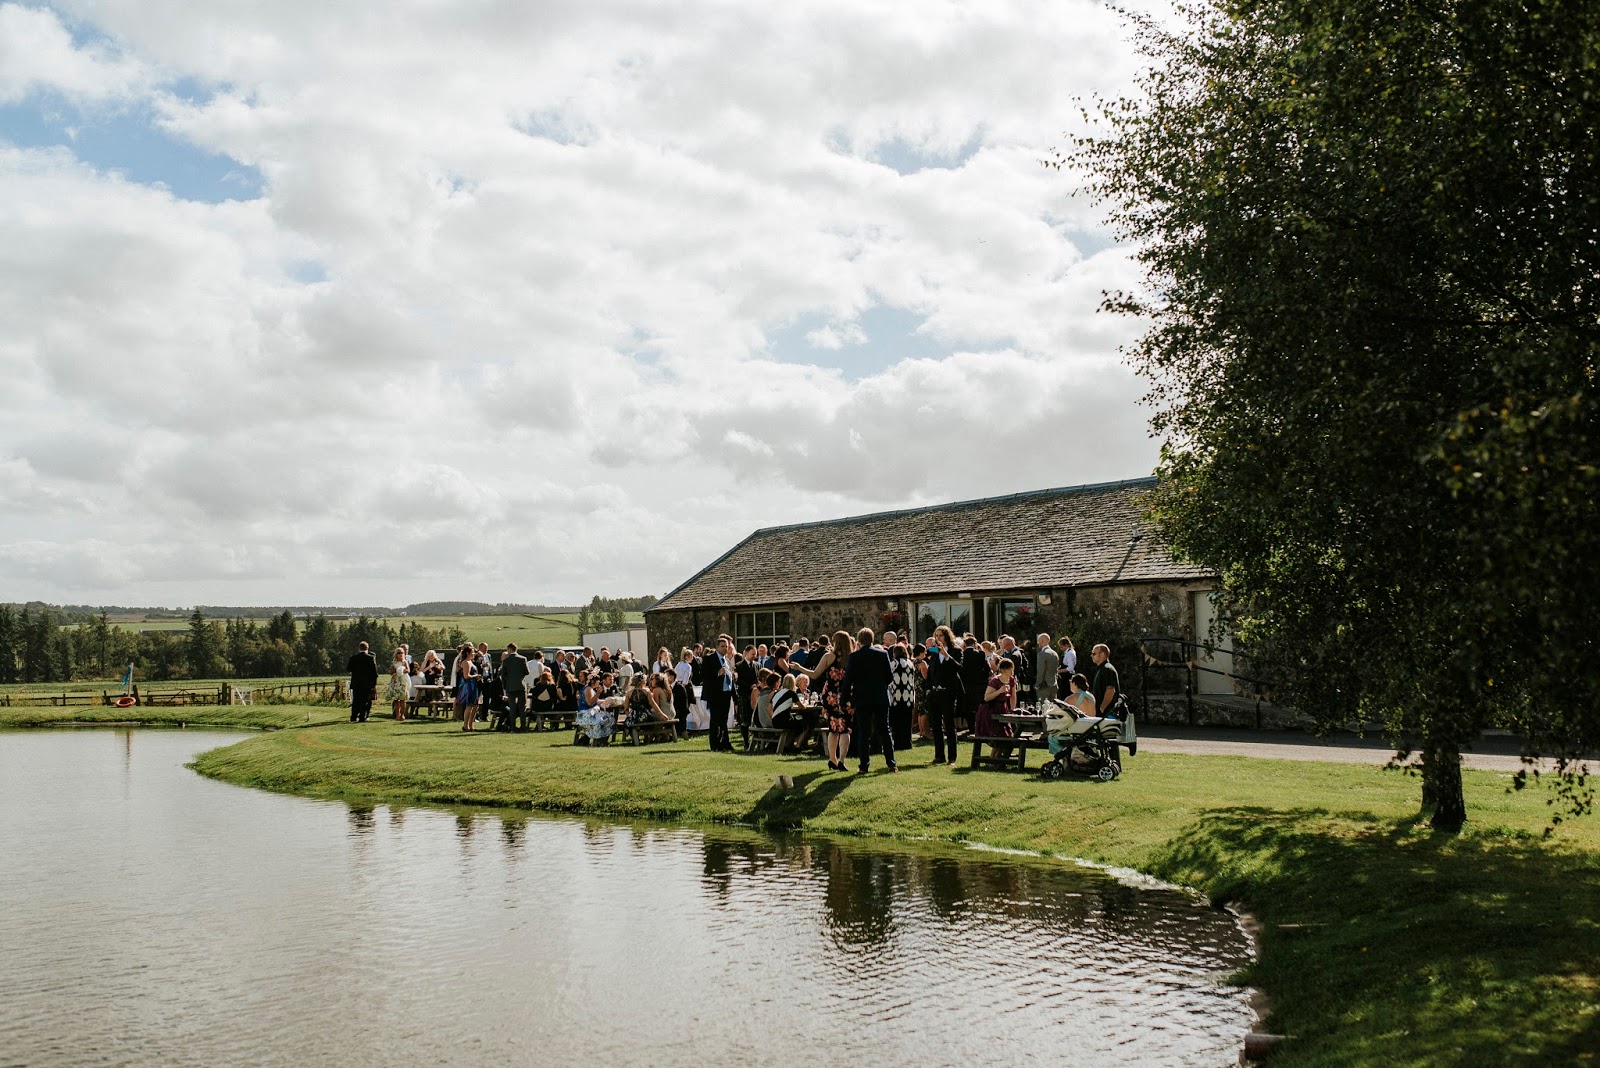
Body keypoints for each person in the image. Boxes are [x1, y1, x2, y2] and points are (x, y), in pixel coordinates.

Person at [843, 627, 896, 774]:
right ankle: (891, 763)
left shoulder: (854, 657)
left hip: (862, 697)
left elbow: (848, 680)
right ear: (872, 640)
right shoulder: (882, 654)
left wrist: (844, 700)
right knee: (884, 730)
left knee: (864, 733)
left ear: (859, 641)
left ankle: (864, 765)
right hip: (880, 696)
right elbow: (889, 677)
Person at [806, 631, 853, 771]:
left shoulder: (829, 656)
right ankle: (842, 760)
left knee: (833, 728)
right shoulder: (852, 657)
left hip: (831, 695)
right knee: (845, 729)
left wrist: (799, 668)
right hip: (847, 695)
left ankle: (832, 758)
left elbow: (815, 674)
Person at [925, 626, 964, 765]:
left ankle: (952, 757)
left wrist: (946, 655)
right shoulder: (934, 651)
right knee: (936, 726)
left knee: (949, 725)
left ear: (947, 636)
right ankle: (939, 756)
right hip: (935, 692)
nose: (938, 638)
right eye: (936, 636)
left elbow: (959, 668)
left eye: (941, 635)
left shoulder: (956, 650)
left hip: (948, 692)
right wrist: (928, 689)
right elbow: (930, 672)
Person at [976, 657, 1018, 755]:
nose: (1011, 671)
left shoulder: (1011, 680)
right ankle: (994, 758)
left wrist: (1012, 709)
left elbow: (1013, 696)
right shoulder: (995, 681)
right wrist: (999, 691)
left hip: (1003, 708)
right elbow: (986, 698)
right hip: (990, 709)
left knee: (1008, 734)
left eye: (1012, 668)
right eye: (1009, 669)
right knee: (998, 735)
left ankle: (997, 758)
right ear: (1002, 670)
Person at [704, 635, 737, 752]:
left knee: (724, 720)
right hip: (715, 694)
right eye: (722, 646)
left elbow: (729, 678)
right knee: (715, 720)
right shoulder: (709, 658)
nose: (725, 648)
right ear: (717, 647)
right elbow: (705, 675)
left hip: (726, 693)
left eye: (726, 646)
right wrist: (717, 673)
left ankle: (724, 743)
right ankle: (715, 745)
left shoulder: (726, 660)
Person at [888, 641, 917, 751]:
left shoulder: (893, 663)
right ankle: (907, 743)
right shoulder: (910, 663)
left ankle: (898, 743)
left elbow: (890, 680)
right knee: (907, 722)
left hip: (896, 696)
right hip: (908, 696)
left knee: (896, 722)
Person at [959, 635, 990, 733]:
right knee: (979, 706)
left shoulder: (962, 654)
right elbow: (987, 669)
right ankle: (980, 727)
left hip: (966, 684)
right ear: (975, 644)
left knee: (968, 707)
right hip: (979, 684)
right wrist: (984, 679)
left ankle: (971, 728)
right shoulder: (981, 654)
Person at [347, 641, 379, 723]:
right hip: (367, 683)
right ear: (367, 648)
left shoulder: (353, 658)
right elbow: (374, 673)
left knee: (355, 700)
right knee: (364, 701)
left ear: (359, 648)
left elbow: (348, 669)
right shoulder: (371, 658)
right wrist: (374, 684)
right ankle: (362, 717)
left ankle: (353, 717)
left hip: (356, 682)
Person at [500, 643, 530, 730]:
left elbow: (503, 675)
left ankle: (512, 727)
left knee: (512, 708)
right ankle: (523, 726)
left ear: (509, 649)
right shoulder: (523, 659)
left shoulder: (506, 661)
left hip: (510, 687)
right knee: (522, 707)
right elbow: (527, 672)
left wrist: (505, 686)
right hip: (521, 686)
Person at [453, 644, 480, 729]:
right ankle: (465, 725)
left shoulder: (471, 662)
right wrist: (476, 676)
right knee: (469, 705)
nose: (474, 654)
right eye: (472, 652)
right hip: (468, 686)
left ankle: (471, 725)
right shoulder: (466, 662)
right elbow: (466, 676)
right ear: (468, 653)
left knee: (475, 706)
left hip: (474, 685)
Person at [1090, 643, 1121, 717]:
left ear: (1102, 654)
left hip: (1108, 714)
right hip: (1104, 714)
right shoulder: (1101, 669)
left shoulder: (1107, 669)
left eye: (1094, 653)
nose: (1091, 656)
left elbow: (1111, 690)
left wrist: (1102, 709)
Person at [1035, 633, 1061, 705]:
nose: (1038, 643)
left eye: (1038, 641)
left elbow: (1040, 671)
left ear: (1042, 641)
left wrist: (1037, 684)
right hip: (1054, 685)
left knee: (1043, 707)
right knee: (1053, 708)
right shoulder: (1055, 654)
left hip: (1044, 686)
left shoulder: (1042, 654)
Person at [385, 647, 410, 721]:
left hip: (402, 681)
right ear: (396, 654)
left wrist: (402, 670)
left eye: (402, 653)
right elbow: (391, 672)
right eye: (399, 653)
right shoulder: (394, 663)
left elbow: (408, 670)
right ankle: (397, 715)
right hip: (395, 681)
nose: (400, 654)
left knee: (403, 699)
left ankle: (402, 715)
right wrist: (395, 671)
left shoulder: (404, 662)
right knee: (396, 699)